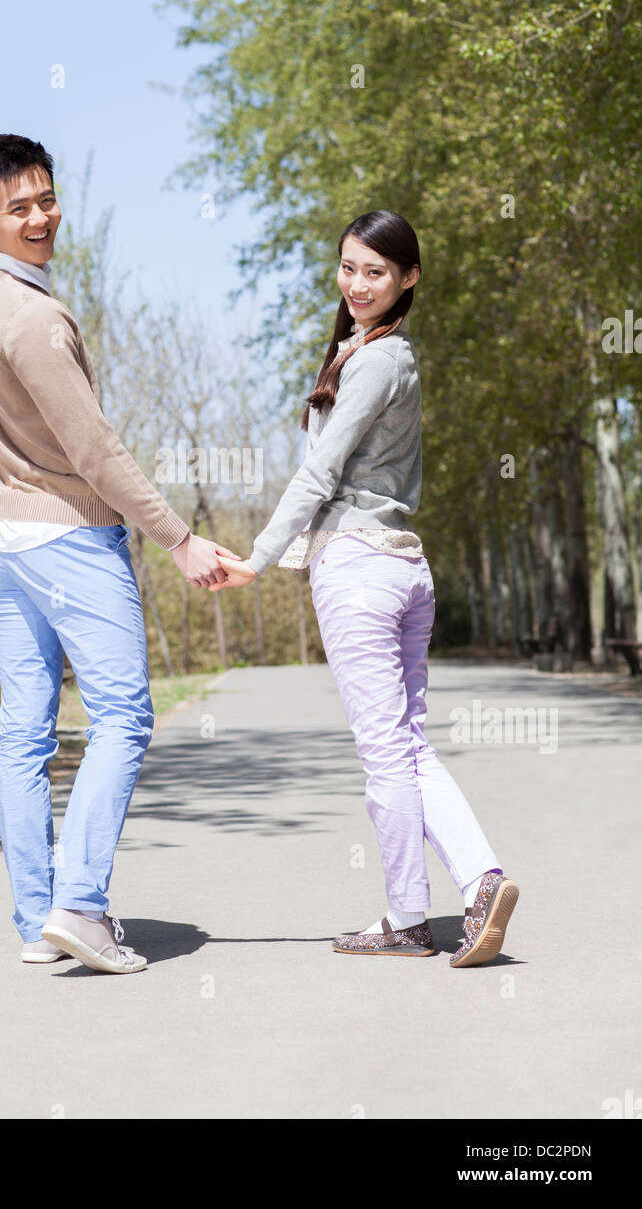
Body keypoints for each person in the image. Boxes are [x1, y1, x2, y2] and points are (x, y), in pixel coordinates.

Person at [0, 133, 237, 973]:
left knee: (23, 735)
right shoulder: (35, 319)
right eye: (20, 208)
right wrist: (180, 539)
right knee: (122, 717)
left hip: (1, 543)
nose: (40, 217)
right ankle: (79, 906)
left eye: (46, 199)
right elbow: (96, 453)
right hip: (68, 540)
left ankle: (37, 920)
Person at [212, 211, 519, 966]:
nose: (357, 283)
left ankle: (414, 916)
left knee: (385, 753)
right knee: (406, 744)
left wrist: (258, 557)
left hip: (357, 567)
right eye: (349, 267)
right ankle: (476, 881)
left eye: (375, 271)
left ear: (408, 278)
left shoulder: (376, 362)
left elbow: (320, 474)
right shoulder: (378, 353)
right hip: (403, 565)